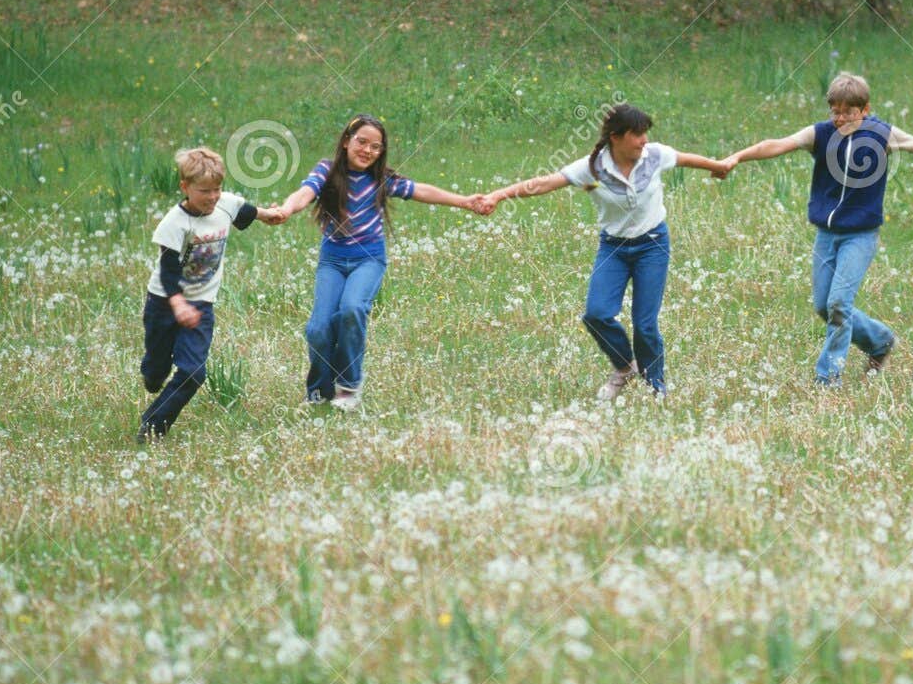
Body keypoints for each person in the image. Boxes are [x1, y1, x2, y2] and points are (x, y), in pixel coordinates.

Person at [719, 72, 913, 385]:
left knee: (838, 304)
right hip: (826, 235)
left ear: (865, 110)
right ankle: (879, 341)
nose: (841, 118)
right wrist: (736, 157)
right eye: (835, 111)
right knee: (824, 305)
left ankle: (827, 379)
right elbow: (776, 145)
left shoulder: (882, 135)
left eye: (849, 111)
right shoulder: (820, 134)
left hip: (860, 236)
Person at [481, 102, 729, 401]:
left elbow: (687, 159)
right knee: (596, 314)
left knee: (644, 324)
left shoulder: (655, 156)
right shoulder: (591, 167)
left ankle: (656, 385)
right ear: (616, 136)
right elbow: (545, 183)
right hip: (614, 247)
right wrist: (499, 195)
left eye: (645, 133)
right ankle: (625, 367)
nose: (644, 140)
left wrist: (719, 167)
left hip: (652, 244)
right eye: (637, 134)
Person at [276, 114, 489, 409]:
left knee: (352, 309)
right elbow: (305, 193)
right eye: (362, 142)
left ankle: (348, 386)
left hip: (369, 259)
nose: (367, 151)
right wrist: (286, 209)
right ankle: (318, 391)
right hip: (333, 260)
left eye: (376, 147)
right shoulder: (327, 171)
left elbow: (422, 190)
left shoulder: (381, 180)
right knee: (318, 329)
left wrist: (465, 201)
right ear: (347, 141)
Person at [139, 146, 287, 441]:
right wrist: (178, 303)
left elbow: (245, 210)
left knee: (194, 372)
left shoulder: (225, 203)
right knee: (156, 370)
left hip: (201, 305)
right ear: (185, 187)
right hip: (163, 303)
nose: (212, 197)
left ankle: (154, 425)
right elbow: (168, 270)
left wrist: (268, 214)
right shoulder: (174, 223)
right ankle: (153, 374)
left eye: (217, 189)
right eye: (204, 191)